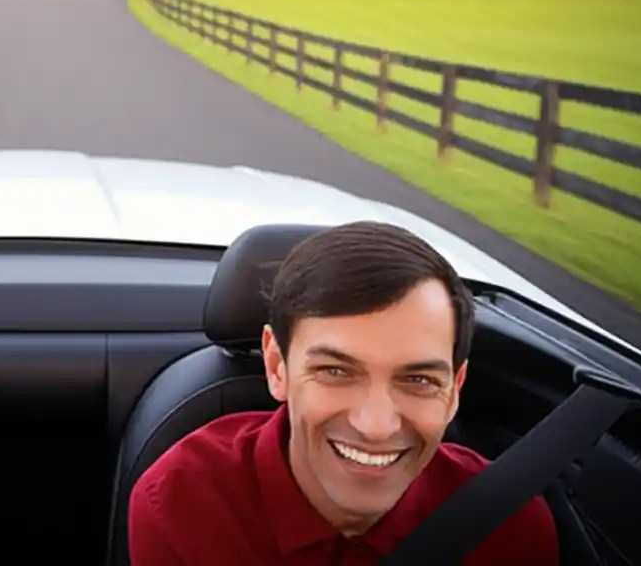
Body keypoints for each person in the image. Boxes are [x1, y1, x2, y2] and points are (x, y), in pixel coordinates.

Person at [127, 221, 559, 565]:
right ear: (277, 366)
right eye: (335, 371)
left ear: (454, 392)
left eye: (418, 381)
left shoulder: (509, 522)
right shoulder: (183, 505)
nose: (375, 426)